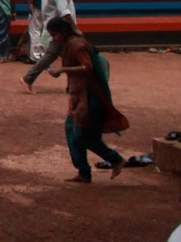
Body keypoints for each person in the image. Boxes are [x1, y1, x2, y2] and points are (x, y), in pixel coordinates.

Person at [45, 16, 128, 184]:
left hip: (90, 97)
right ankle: (84, 171)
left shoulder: (77, 45)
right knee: (73, 131)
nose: (54, 39)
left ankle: (114, 159)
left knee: (82, 136)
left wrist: (62, 69)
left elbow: (87, 67)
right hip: (79, 96)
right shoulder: (70, 45)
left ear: (63, 32)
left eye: (55, 35)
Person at [25, 0, 77, 92]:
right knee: (71, 54)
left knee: (53, 54)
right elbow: (64, 11)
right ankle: (28, 78)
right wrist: (75, 28)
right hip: (62, 27)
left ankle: (29, 78)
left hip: (53, 25)